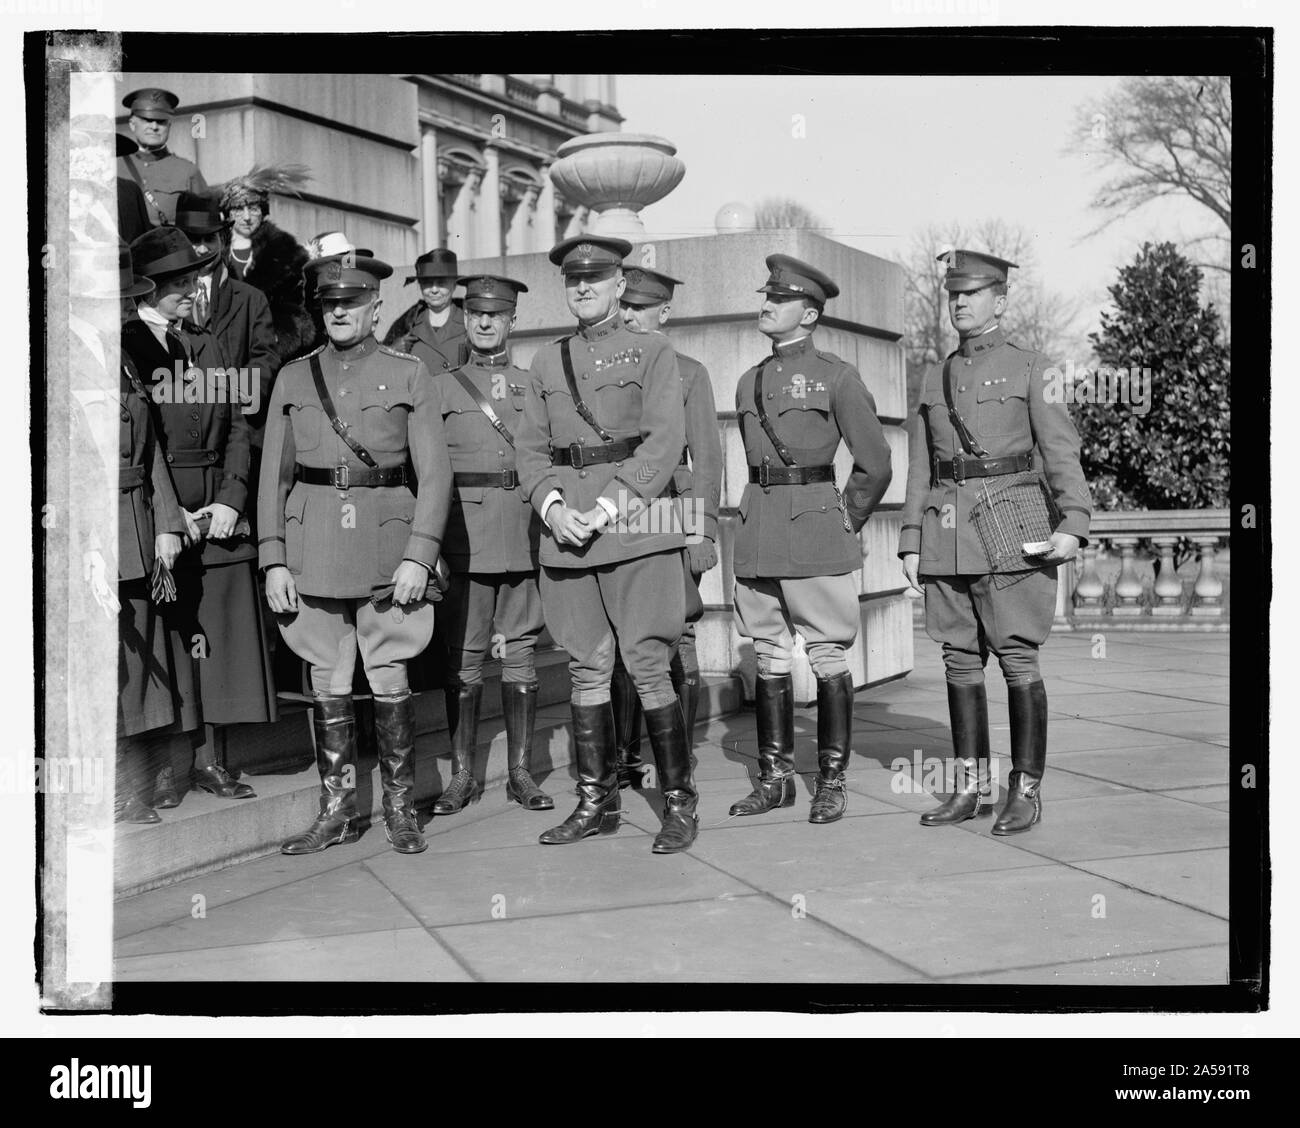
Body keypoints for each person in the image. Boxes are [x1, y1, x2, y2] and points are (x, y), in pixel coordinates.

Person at [258, 251, 454, 856]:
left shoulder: (408, 372)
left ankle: (399, 808)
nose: (339, 311)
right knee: (328, 679)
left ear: (376, 307)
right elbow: (273, 477)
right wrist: (273, 558)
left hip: (386, 548)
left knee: (390, 672)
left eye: (352, 302)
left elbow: (436, 472)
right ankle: (337, 808)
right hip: (313, 544)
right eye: (330, 303)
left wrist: (420, 555)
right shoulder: (294, 377)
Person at [899, 250, 1092, 835]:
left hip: (1012, 525)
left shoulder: (1033, 366)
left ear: (1001, 300)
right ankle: (970, 788)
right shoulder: (934, 374)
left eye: (973, 292)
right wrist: (911, 537)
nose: (959, 301)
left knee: (1016, 656)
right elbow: (919, 466)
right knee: (958, 659)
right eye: (953, 293)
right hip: (946, 533)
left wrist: (1075, 523)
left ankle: (1026, 790)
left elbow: (1060, 450)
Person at [515, 235, 696, 854]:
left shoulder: (652, 351)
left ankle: (678, 803)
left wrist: (609, 506)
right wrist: (553, 506)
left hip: (636, 528)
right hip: (568, 534)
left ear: (621, 285)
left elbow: (664, 441)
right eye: (574, 280)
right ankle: (597, 801)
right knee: (585, 665)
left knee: (647, 663)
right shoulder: (546, 362)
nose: (584, 288)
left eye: (596, 278)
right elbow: (530, 448)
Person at [728, 255, 893, 825]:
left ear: (810, 312)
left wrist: (844, 519)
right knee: (769, 655)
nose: (766, 304)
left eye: (780, 298)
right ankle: (776, 778)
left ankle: (830, 780)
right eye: (766, 295)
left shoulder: (837, 376)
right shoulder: (748, 380)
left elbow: (874, 463)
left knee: (826, 655)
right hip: (757, 532)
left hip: (816, 531)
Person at [123, 226, 272, 806]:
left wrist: (232, 499)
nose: (193, 290)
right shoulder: (128, 344)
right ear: (152, 288)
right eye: (181, 283)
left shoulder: (205, 344)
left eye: (194, 279)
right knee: (176, 634)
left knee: (222, 634)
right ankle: (171, 766)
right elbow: (142, 443)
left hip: (218, 505)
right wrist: (172, 514)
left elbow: (237, 424)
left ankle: (212, 760)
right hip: (164, 514)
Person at [68, 244, 187, 823]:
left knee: (139, 656)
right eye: (109, 299)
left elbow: (153, 448)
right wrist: (87, 545)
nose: (119, 309)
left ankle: (135, 778)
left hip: (136, 523)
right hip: (91, 531)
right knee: (101, 662)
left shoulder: (120, 358)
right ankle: (105, 788)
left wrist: (166, 521)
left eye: (124, 298)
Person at [427, 274, 552, 816]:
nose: (482, 323)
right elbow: (426, 472)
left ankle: (521, 772)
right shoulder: (439, 387)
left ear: (511, 321)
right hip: (465, 538)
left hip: (524, 533)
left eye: (494, 315)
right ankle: (461, 776)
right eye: (474, 313)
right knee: (464, 658)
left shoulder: (534, 385)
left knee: (522, 653)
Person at [612, 266, 722, 790]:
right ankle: (624, 754)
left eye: (642, 307)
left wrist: (702, 532)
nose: (631, 315)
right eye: (626, 305)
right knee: (619, 636)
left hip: (669, 513)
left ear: (665, 312)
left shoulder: (688, 372)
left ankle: (681, 751)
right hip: (617, 511)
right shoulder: (605, 367)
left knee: (677, 632)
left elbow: (707, 458)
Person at [217, 164, 317, 369]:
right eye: (238, 209)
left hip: (274, 353)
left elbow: (299, 309)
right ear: (227, 214)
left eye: (253, 208)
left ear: (263, 212)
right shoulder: (214, 254)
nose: (246, 217)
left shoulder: (287, 253)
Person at [117, 88, 207, 227]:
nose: (154, 127)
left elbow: (204, 227)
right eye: (147, 120)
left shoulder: (187, 171)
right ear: (132, 124)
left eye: (161, 121)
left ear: (169, 125)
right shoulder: (113, 167)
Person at [383, 249, 467, 374]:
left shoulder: (469, 321)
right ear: (420, 285)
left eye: (441, 283)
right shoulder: (406, 324)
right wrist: (394, 352)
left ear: (454, 285)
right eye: (427, 283)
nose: (434, 290)